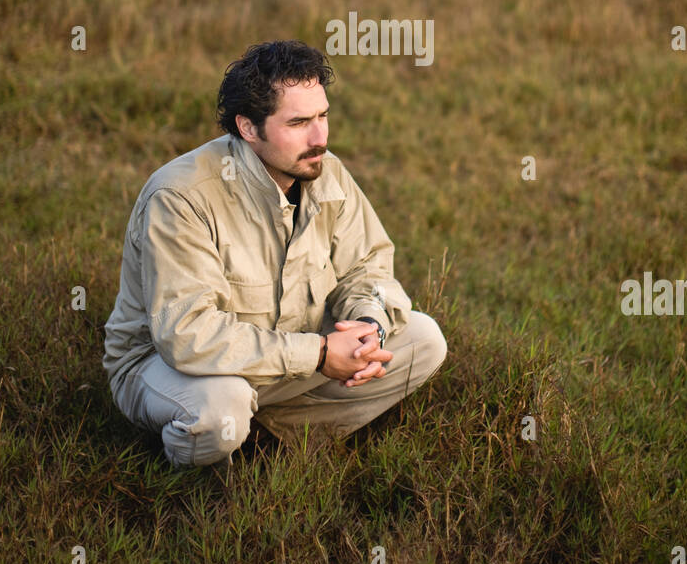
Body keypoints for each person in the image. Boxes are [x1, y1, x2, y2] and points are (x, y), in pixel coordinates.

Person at [103, 40, 447, 468]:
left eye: (323, 115)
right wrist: (320, 353)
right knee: (219, 409)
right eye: (299, 122)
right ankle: (191, 477)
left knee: (424, 340)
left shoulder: (324, 171)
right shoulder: (182, 197)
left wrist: (366, 328)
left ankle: (270, 441)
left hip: (283, 356)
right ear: (248, 128)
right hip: (175, 367)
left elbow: (369, 267)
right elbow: (188, 335)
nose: (320, 136)